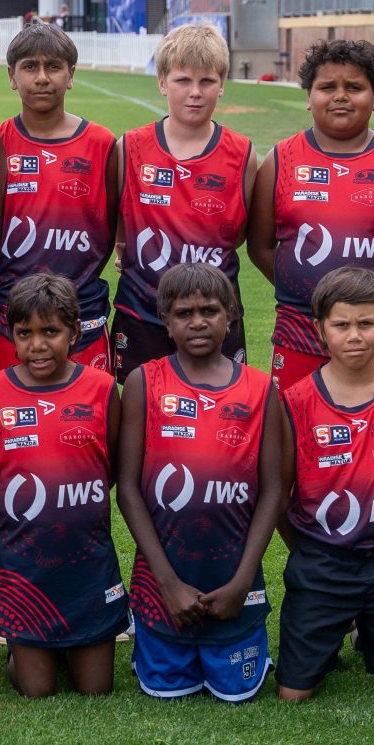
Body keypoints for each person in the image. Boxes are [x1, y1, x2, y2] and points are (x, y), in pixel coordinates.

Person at [113, 264, 286, 702]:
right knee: (166, 689)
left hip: (235, 583)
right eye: (183, 312)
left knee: (237, 691)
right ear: (165, 322)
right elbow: (128, 488)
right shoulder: (143, 383)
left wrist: (244, 580)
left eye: (209, 310)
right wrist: (168, 583)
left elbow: (273, 491)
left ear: (231, 316)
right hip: (162, 588)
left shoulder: (261, 388)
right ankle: (154, 631)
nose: (197, 322)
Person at [275, 266, 374, 702]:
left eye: (366, 324)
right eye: (341, 324)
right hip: (322, 565)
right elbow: (280, 494)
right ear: (319, 330)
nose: (354, 335)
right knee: (293, 694)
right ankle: (333, 629)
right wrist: (308, 550)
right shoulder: (295, 401)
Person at [250, 37, 374, 406]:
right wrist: (308, 292)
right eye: (327, 87)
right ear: (309, 96)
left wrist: (371, 300)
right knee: (293, 440)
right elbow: (260, 246)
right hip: (299, 333)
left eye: (355, 87)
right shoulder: (279, 162)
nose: (340, 96)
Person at [0, 273, 124, 698]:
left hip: (88, 561)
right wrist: (15, 511)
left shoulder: (102, 389)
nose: (37, 345)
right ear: (11, 334)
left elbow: (109, 463)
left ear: (75, 332)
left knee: (96, 689)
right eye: (25, 333)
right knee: (34, 690)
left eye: (51, 332)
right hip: (24, 560)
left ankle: (69, 640)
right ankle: (20, 650)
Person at [112, 24, 254, 377]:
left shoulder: (243, 155)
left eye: (206, 81)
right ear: (162, 82)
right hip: (142, 311)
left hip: (215, 314)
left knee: (219, 413)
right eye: (182, 81)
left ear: (221, 86)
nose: (195, 93)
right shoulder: (129, 148)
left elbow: (238, 235)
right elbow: (118, 219)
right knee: (141, 412)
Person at [0, 21, 118, 376]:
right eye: (30, 67)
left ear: (70, 75)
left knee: (86, 423)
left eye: (53, 67)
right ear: (12, 77)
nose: (42, 78)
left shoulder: (102, 145)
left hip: (81, 316)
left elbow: (117, 228)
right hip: (8, 317)